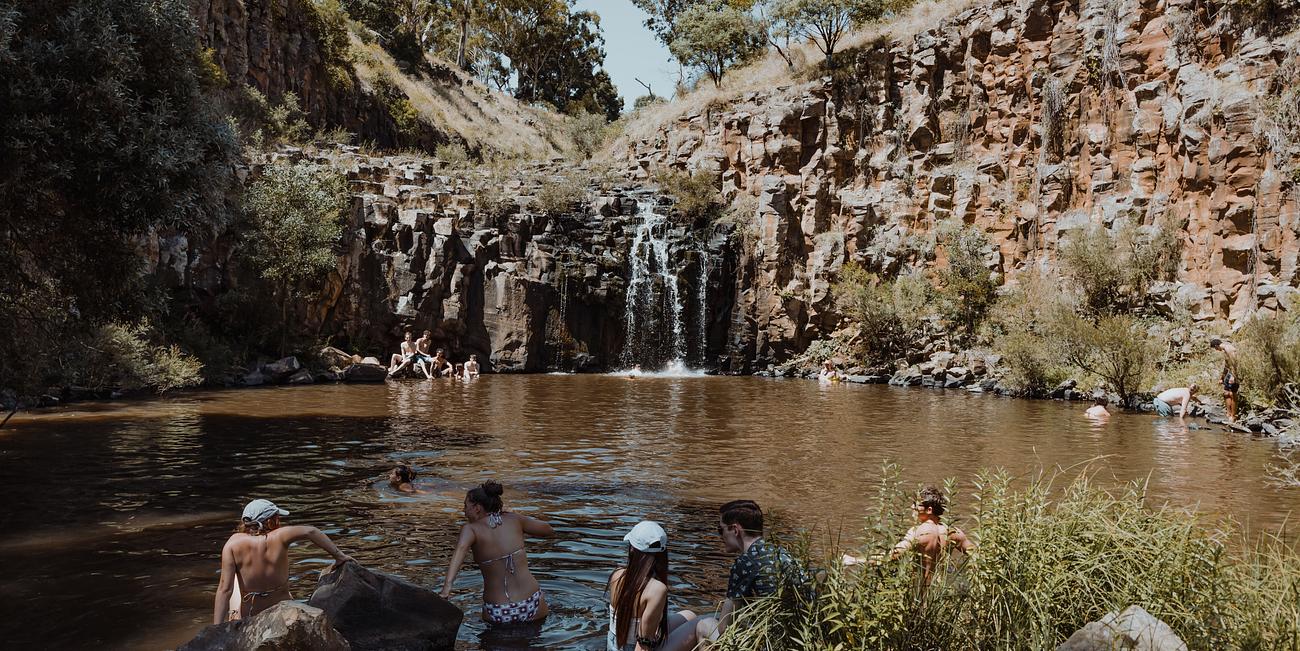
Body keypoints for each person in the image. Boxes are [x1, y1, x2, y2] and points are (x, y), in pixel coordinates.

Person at [213, 499, 353, 624]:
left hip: (249, 617)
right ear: (270, 521)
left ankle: (233, 618)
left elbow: (224, 591)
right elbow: (311, 531)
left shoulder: (232, 544)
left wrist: (216, 630)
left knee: (232, 583)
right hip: (281, 612)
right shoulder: (280, 536)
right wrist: (339, 556)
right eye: (277, 518)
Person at [694, 500, 809, 644]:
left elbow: (724, 627)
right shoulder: (782, 553)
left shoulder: (745, 562)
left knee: (704, 626)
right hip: (799, 638)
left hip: (770, 642)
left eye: (721, 530)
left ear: (735, 530)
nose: (720, 536)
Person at [441, 481, 554, 625]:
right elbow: (549, 530)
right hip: (533, 602)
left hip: (498, 610)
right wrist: (516, 515)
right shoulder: (514, 519)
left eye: (465, 506)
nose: (463, 511)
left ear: (477, 508)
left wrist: (447, 588)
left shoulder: (470, 529)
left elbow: (461, 550)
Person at [844, 487, 974, 589]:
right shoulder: (954, 532)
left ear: (929, 510)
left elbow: (892, 556)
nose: (912, 507)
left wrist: (855, 561)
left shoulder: (919, 531)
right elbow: (978, 556)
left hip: (918, 593)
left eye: (916, 504)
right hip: (940, 592)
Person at [606, 521, 699, 651]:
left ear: (632, 549)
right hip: (634, 647)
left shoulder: (617, 574)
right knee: (699, 625)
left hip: (614, 643)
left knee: (689, 615)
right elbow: (644, 643)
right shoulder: (657, 589)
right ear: (663, 553)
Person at [1211, 338, 1240, 422]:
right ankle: (1228, 413)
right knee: (1226, 393)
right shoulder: (1225, 351)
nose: (1216, 350)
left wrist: (1233, 376)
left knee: (1232, 394)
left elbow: (1234, 362)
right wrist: (1222, 378)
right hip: (1230, 373)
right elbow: (1227, 365)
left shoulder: (1228, 348)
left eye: (1215, 348)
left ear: (1216, 346)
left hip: (1234, 373)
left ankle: (1233, 416)